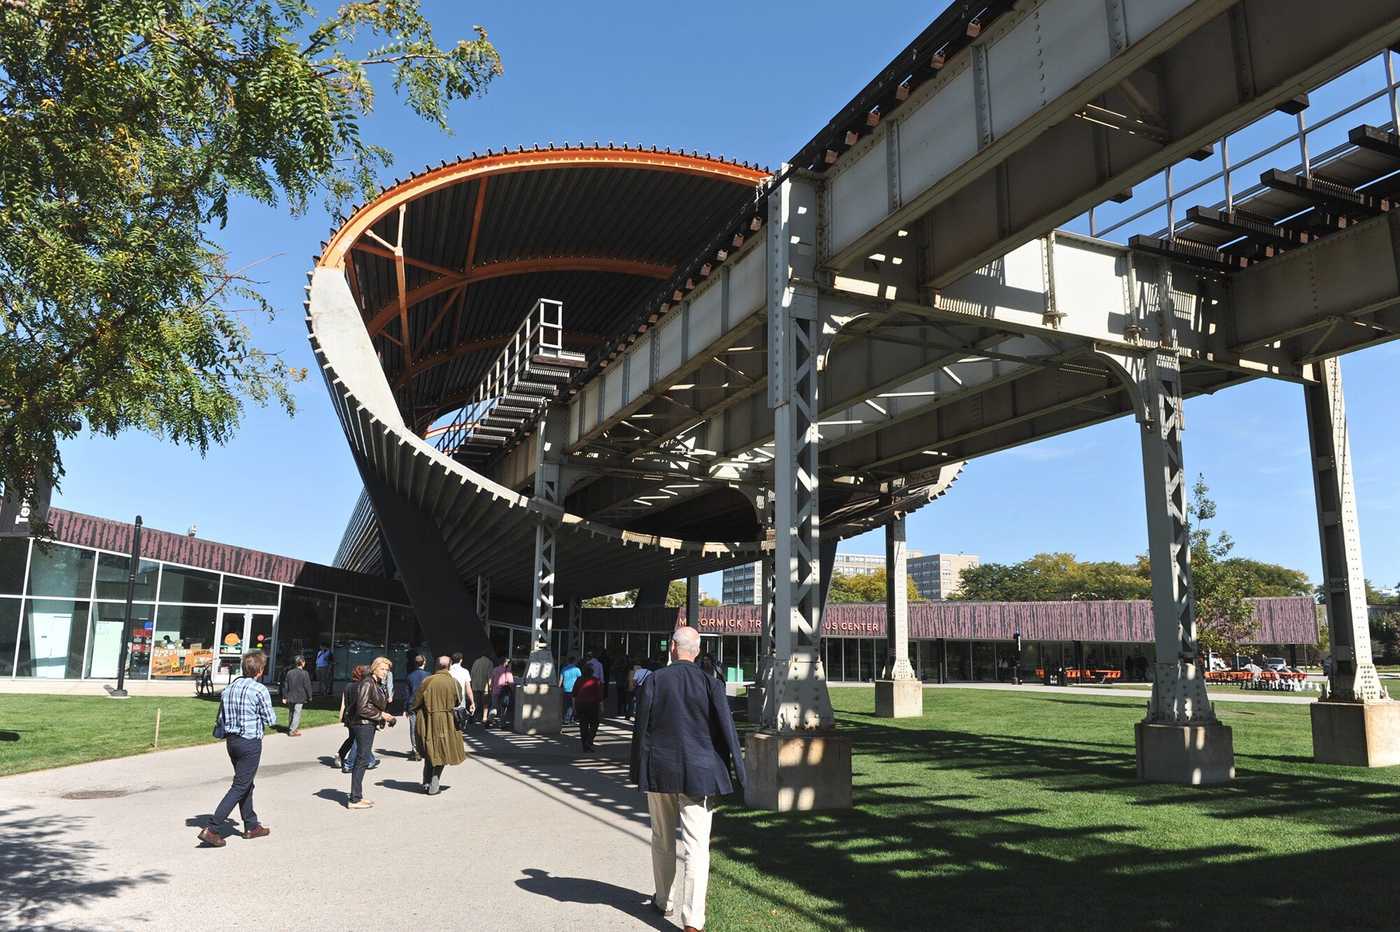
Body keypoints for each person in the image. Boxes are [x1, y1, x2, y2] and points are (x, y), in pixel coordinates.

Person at [630, 627, 746, 931]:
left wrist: (637, 770)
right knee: (697, 846)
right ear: (697, 650)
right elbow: (726, 729)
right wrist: (739, 773)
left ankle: (663, 899)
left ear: (672, 648)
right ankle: (693, 920)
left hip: (660, 772)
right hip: (700, 774)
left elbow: (641, 729)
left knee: (662, 837)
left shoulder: (655, 680)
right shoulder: (710, 683)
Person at [197, 650, 276, 847]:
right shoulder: (259, 690)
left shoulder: (229, 689)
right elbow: (271, 719)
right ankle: (212, 828)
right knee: (240, 785)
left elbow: (221, 718)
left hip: (232, 741)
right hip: (250, 742)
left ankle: (251, 824)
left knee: (246, 783)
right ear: (260, 670)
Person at [343, 656, 396, 809]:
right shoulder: (367, 683)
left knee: (363, 759)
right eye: (382, 668)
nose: (385, 672)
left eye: (387, 670)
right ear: (374, 668)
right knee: (362, 760)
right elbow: (362, 707)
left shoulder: (376, 683)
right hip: (363, 725)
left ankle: (356, 796)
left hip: (367, 724)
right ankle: (354, 799)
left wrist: (383, 716)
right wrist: (382, 715)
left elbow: (372, 705)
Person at [412, 656, 468, 794]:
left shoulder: (427, 681)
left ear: (436, 666)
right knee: (442, 751)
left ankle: (426, 782)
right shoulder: (454, 682)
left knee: (431, 750)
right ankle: (434, 784)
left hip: (428, 720)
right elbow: (458, 701)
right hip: (447, 720)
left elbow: (416, 702)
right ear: (449, 666)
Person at [573, 663, 604, 752]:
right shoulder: (595, 680)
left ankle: (584, 746)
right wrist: (601, 707)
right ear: (592, 672)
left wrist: (574, 707)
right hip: (592, 705)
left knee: (583, 725)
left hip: (580, 704)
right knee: (595, 723)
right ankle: (589, 740)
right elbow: (599, 695)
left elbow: (574, 695)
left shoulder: (578, 680)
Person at [404, 655, 430, 761]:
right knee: (426, 727)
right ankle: (425, 749)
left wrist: (405, 708)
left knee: (413, 728)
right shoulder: (429, 676)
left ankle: (416, 751)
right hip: (425, 704)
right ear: (424, 662)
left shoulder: (410, 676)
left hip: (412, 704)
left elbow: (407, 693)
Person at [280, 655, 313, 737]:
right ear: (302, 663)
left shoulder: (289, 672)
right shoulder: (305, 673)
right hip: (300, 696)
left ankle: (291, 727)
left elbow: (285, 686)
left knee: (291, 713)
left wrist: (284, 696)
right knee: (297, 713)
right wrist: (310, 696)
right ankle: (292, 730)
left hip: (290, 695)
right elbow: (307, 686)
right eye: (304, 661)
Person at [489, 656, 514, 726]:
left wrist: (491, 689)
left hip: (495, 691)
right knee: (503, 708)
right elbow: (511, 682)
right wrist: (512, 690)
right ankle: (502, 724)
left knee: (494, 706)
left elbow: (491, 681)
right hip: (504, 692)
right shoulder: (508, 670)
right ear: (505, 662)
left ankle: (489, 720)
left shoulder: (495, 669)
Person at [469, 652, 494, 724]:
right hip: (484, 686)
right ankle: (484, 718)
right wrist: (490, 687)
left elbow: (472, 673)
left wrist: (472, 684)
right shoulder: (489, 663)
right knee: (485, 703)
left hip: (475, 685)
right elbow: (489, 676)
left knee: (475, 702)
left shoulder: (476, 661)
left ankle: (472, 716)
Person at [559, 656, 581, 725]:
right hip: (575, 689)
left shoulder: (564, 669)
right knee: (573, 705)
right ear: (574, 661)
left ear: (568, 661)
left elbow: (560, 680)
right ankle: (569, 719)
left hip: (566, 689)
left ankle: (567, 718)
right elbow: (580, 679)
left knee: (566, 705)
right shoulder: (577, 669)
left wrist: (559, 688)